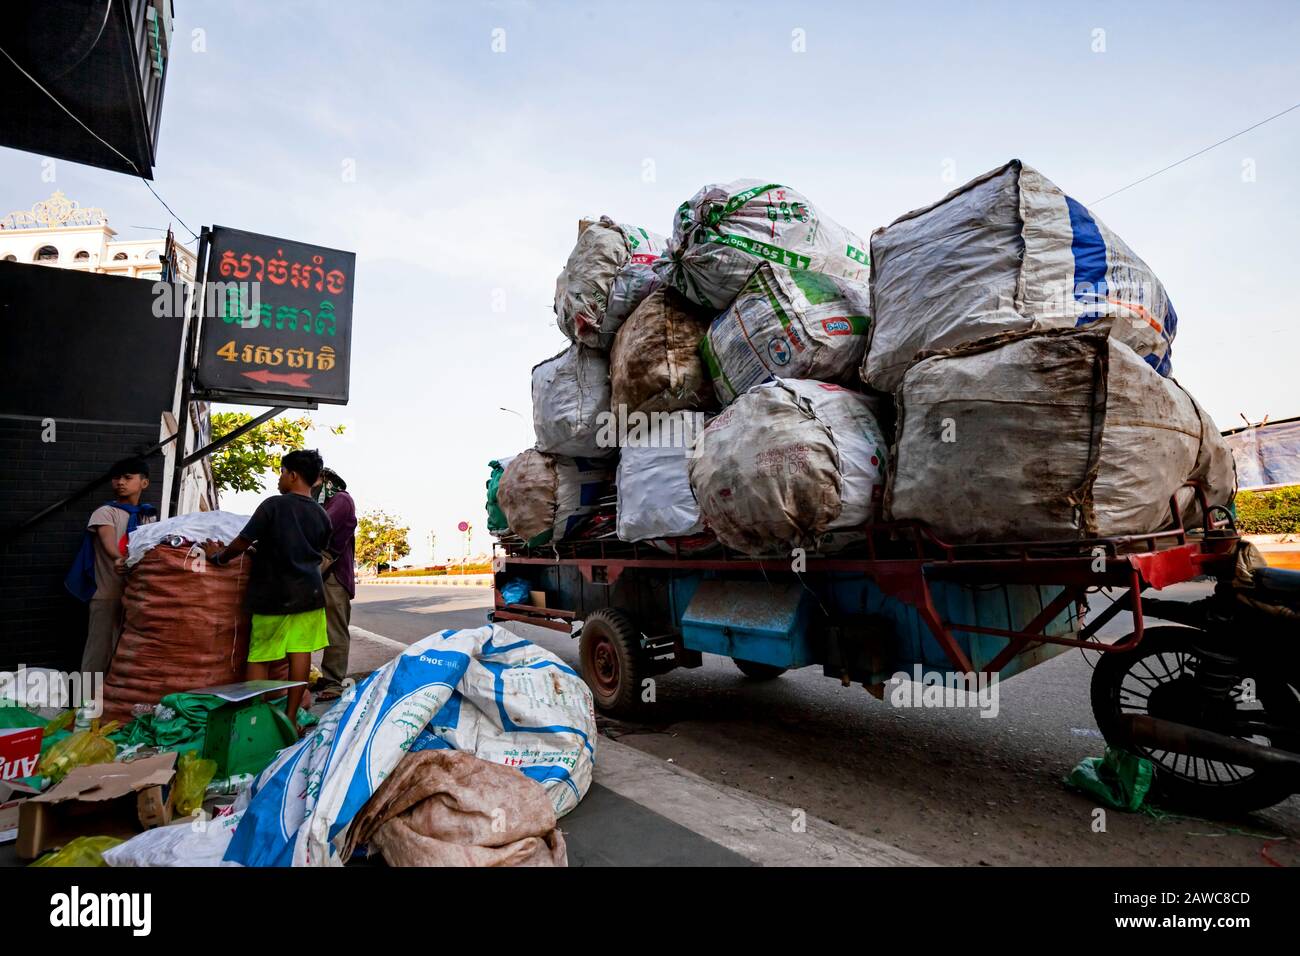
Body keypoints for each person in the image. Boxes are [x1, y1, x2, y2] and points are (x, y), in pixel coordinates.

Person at [206, 449, 331, 733]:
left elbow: (241, 541)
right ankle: (291, 717)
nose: (279, 478)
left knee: (260, 656)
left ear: (293, 475)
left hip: (273, 594)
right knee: (300, 655)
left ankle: (257, 720)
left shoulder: (273, 505)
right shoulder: (322, 516)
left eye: (282, 472)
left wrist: (219, 557)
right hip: (310, 595)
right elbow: (311, 549)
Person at [66, 457, 158, 674]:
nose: (121, 482)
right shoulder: (105, 512)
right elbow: (108, 541)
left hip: (135, 594)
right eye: (116, 478)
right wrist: (118, 557)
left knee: (125, 651)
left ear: (144, 483)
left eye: (128, 477)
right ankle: (87, 702)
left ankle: (112, 702)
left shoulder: (148, 517)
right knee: (98, 651)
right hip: (107, 592)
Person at [312, 467, 356, 701]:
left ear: (326, 481)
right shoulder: (320, 503)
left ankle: (334, 682)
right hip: (318, 574)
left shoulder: (341, 499)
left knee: (334, 631)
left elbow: (321, 528)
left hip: (334, 576)